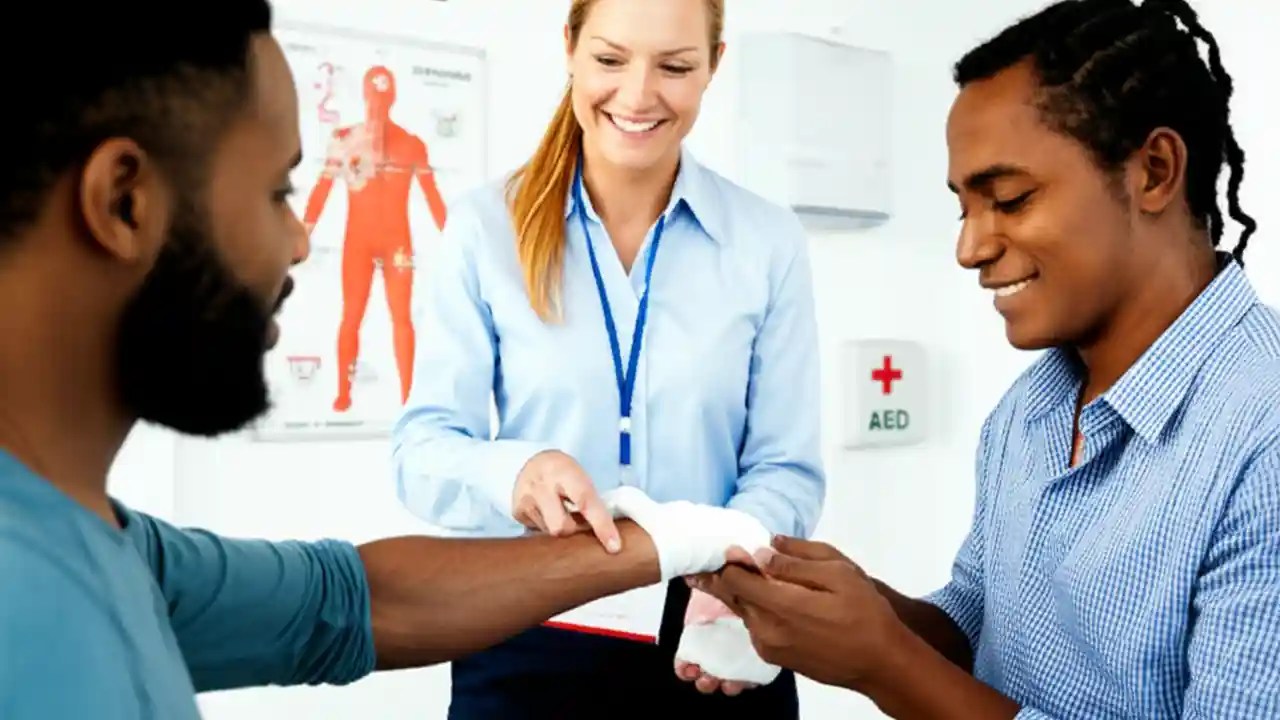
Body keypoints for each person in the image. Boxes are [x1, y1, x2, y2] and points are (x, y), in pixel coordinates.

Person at [0, 3, 779, 718]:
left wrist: (683, 541)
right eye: (278, 191)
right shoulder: (31, 588)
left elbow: (357, 602)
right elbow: (413, 483)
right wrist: (528, 481)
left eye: (674, 65)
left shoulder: (122, 556)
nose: (302, 241)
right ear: (125, 203)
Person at [693, 0, 1280, 717]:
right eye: (964, 208)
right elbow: (976, 630)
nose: (970, 247)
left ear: (1154, 171)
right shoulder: (1029, 411)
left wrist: (882, 661)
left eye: (1009, 198)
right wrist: (840, 604)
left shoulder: (1263, 436)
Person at [391, 0, 825, 716]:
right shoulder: (482, 228)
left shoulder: (767, 242)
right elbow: (422, 449)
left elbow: (786, 466)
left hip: (714, 636)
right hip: (523, 630)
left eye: (676, 66)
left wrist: (743, 573)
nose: (637, 94)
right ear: (569, 47)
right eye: (610, 58)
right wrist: (516, 472)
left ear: (715, 65)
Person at [302, 64, 448, 411]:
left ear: (392, 99)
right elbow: (322, 188)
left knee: (401, 317)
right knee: (352, 314)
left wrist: (457, 240)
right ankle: (343, 392)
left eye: (384, 102)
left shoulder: (411, 146)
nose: (378, 109)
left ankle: (408, 397)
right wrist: (303, 231)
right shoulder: (344, 140)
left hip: (397, 241)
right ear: (366, 97)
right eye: (374, 101)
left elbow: (432, 197)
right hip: (359, 243)